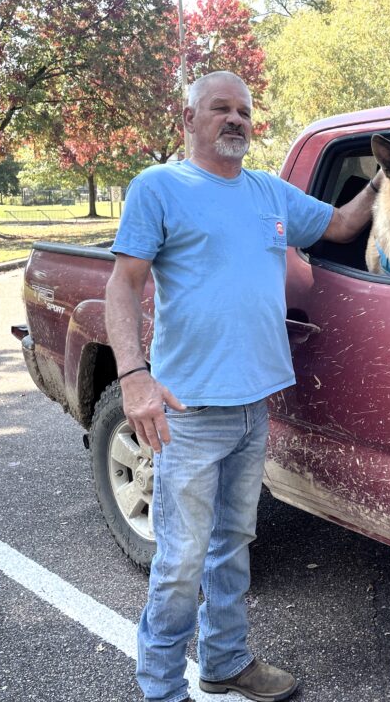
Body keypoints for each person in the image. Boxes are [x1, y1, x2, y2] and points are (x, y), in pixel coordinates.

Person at [105, 71, 374, 702]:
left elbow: (337, 226)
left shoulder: (269, 193)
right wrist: (133, 377)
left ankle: (226, 660)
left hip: (256, 406)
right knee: (179, 563)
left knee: (233, 545)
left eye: (244, 111)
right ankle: (161, 688)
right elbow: (123, 284)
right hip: (188, 409)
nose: (235, 119)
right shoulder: (160, 187)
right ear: (189, 120)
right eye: (220, 109)